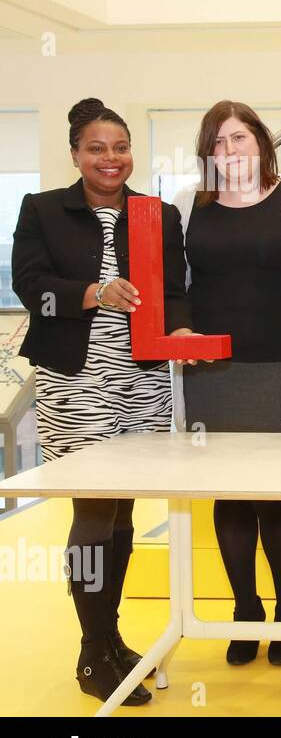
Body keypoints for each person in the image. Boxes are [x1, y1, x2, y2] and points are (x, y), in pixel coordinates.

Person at [12, 98, 201, 705]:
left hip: (143, 378)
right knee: (94, 509)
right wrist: (91, 292)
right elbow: (31, 286)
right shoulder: (42, 209)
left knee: (122, 511)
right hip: (77, 379)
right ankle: (93, 650)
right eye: (97, 148)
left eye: (120, 147)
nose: (111, 158)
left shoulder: (157, 213)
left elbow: (174, 290)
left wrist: (184, 331)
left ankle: (114, 639)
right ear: (75, 154)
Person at [172, 101, 281, 667]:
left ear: (261, 141)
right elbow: (173, 284)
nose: (231, 151)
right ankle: (245, 609)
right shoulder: (187, 205)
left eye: (240, 138)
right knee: (229, 496)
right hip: (209, 375)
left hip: (278, 368)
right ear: (208, 152)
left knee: (275, 496)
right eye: (220, 142)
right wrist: (180, 326)